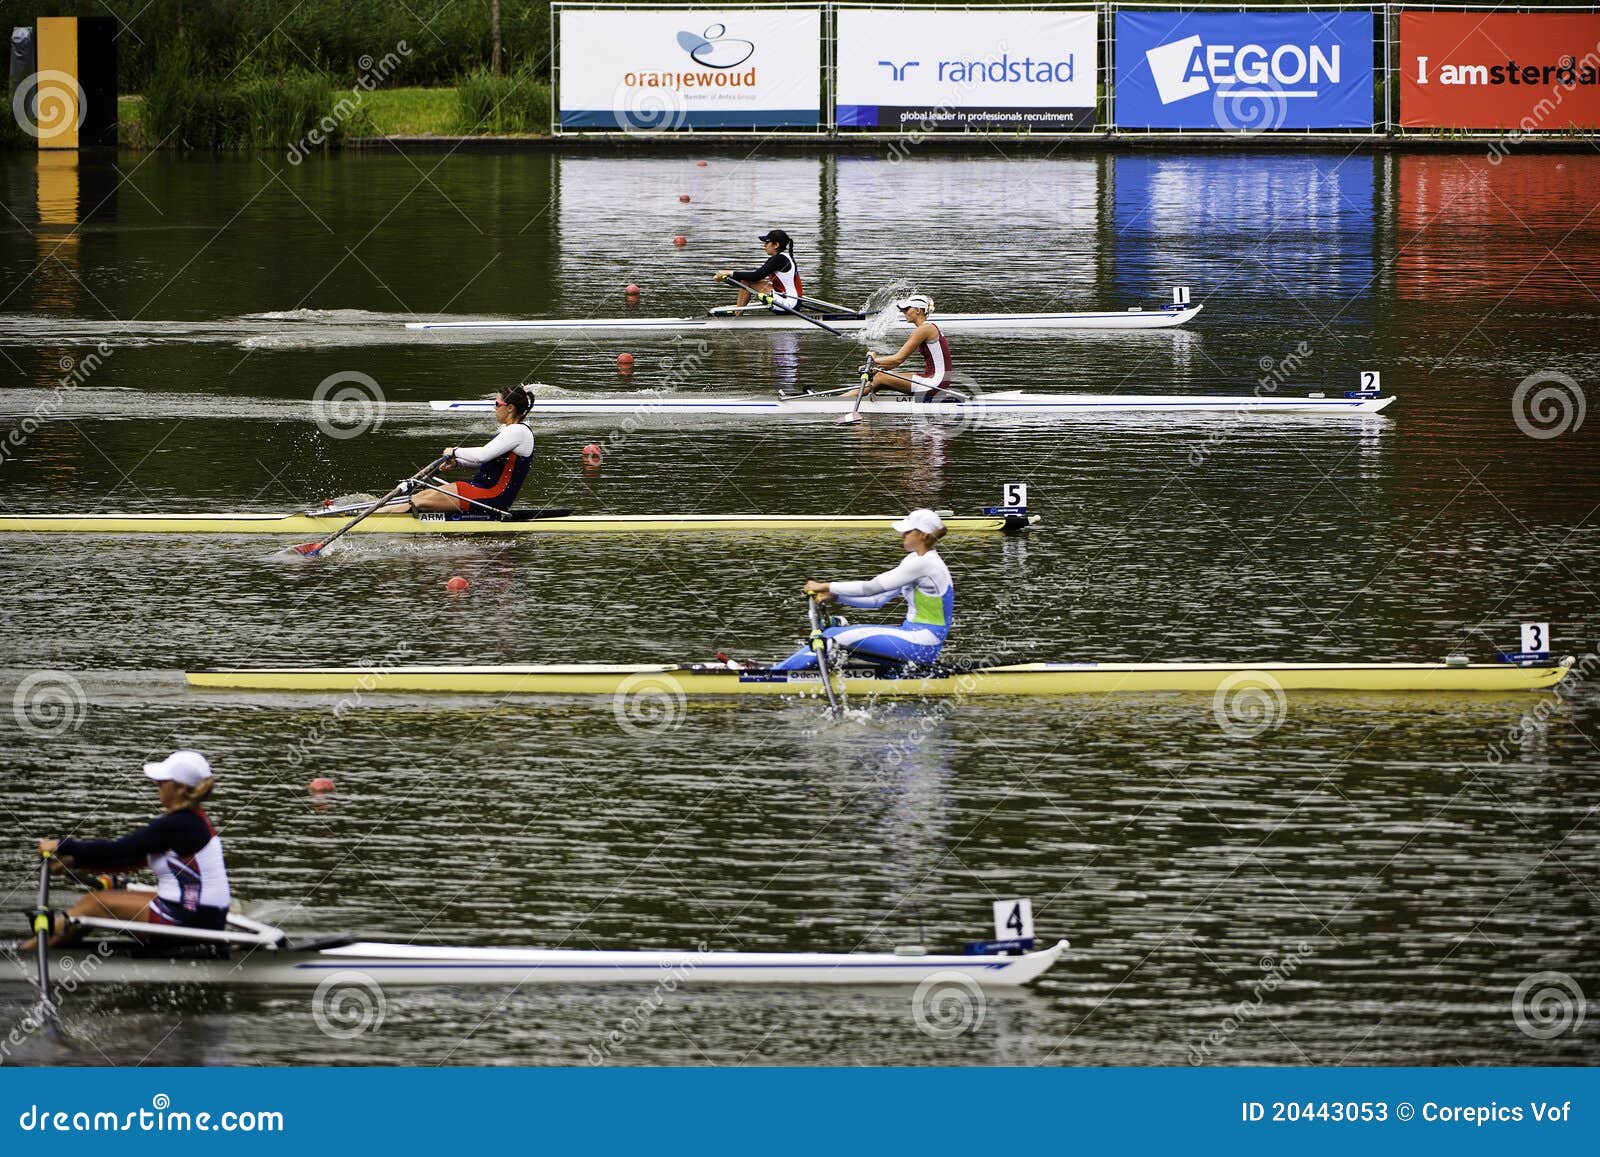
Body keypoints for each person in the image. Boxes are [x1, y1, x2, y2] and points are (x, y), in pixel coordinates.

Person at [26, 750, 230, 949]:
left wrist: (63, 845)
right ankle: (48, 946)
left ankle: (27, 955)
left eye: (162, 781)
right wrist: (74, 862)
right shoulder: (192, 820)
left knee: (92, 904)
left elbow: (119, 849)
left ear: (180, 788)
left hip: (192, 917)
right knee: (110, 892)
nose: (156, 784)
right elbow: (131, 860)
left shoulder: (180, 824)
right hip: (203, 913)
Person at [774, 509, 953, 671]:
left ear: (922, 535)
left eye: (907, 531)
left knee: (832, 637)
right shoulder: (914, 560)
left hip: (922, 643)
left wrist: (825, 585)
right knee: (832, 635)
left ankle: (775, 675)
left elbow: (870, 588)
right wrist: (835, 597)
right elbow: (877, 600)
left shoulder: (925, 564)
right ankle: (806, 670)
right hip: (913, 638)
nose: (902, 535)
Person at [406, 385, 535, 515]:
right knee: (423, 495)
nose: (494, 408)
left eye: (497, 404)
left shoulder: (518, 431)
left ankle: (386, 517)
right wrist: (458, 463)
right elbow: (486, 462)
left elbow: (483, 455)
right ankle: (390, 513)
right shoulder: (509, 430)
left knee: (420, 501)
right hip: (483, 490)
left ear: (510, 408)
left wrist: (455, 451)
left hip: (492, 496)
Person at [859, 294, 958, 401]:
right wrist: (872, 368)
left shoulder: (925, 329)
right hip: (935, 380)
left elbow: (898, 359)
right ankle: (844, 400)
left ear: (918, 310)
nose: (904, 312)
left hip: (936, 383)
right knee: (877, 378)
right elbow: (895, 363)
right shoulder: (927, 328)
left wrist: (873, 360)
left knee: (880, 377)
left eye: (907, 309)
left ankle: (842, 404)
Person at [714, 229, 804, 310]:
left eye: (767, 243)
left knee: (747, 281)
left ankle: (737, 315)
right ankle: (738, 312)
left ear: (776, 245)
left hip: (788, 304)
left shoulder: (779, 259)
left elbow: (755, 276)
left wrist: (728, 272)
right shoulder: (783, 258)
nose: (764, 246)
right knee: (751, 281)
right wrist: (727, 278)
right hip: (791, 301)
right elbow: (757, 277)